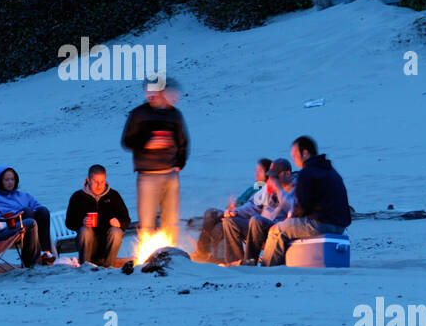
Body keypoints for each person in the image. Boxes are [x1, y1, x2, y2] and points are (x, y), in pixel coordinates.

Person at [260, 136, 352, 266]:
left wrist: (290, 218)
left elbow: (303, 206)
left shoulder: (307, 172)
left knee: (276, 230)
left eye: (295, 154)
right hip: (340, 227)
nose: (293, 158)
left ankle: (267, 269)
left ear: (305, 153)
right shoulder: (332, 171)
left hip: (321, 224)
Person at [120, 78, 189, 239]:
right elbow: (126, 141)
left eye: (154, 91)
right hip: (147, 175)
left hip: (170, 174)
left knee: (170, 220)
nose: (150, 95)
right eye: (147, 91)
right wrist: (146, 143)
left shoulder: (174, 114)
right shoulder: (139, 114)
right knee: (147, 221)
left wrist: (179, 163)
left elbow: (183, 142)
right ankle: (146, 251)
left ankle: (170, 250)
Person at [193, 158, 273, 262]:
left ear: (268, 173)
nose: (256, 173)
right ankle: (203, 252)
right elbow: (245, 200)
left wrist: (235, 208)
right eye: (256, 170)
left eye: (260, 171)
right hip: (236, 212)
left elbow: (254, 208)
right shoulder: (256, 185)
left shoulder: (265, 188)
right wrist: (233, 205)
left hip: (243, 217)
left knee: (216, 221)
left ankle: (210, 255)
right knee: (210, 213)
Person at [219, 158, 294, 264]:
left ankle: (249, 261)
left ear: (287, 173)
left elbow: (293, 208)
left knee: (256, 220)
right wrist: (236, 212)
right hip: (258, 226)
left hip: (276, 228)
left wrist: (278, 190)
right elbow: (252, 205)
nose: (273, 179)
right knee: (229, 221)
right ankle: (235, 263)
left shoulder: (295, 188)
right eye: (271, 175)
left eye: (260, 171)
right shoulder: (261, 186)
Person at [64, 164, 132, 267]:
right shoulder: (77, 197)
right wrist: (82, 221)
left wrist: (119, 223)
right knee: (85, 231)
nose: (99, 186)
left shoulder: (113, 195)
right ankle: (85, 267)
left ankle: (109, 267)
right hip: (87, 243)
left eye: (102, 182)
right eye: (96, 182)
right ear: (88, 180)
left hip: (108, 243)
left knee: (116, 231)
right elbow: (69, 222)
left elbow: (126, 219)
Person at [0, 166, 55, 263]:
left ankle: (45, 251)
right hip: (10, 224)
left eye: (12, 179)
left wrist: (35, 213)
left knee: (43, 210)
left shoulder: (24, 195)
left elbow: (37, 206)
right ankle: (29, 257)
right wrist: (2, 216)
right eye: (6, 180)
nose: (10, 182)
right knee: (26, 211)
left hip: (29, 222)